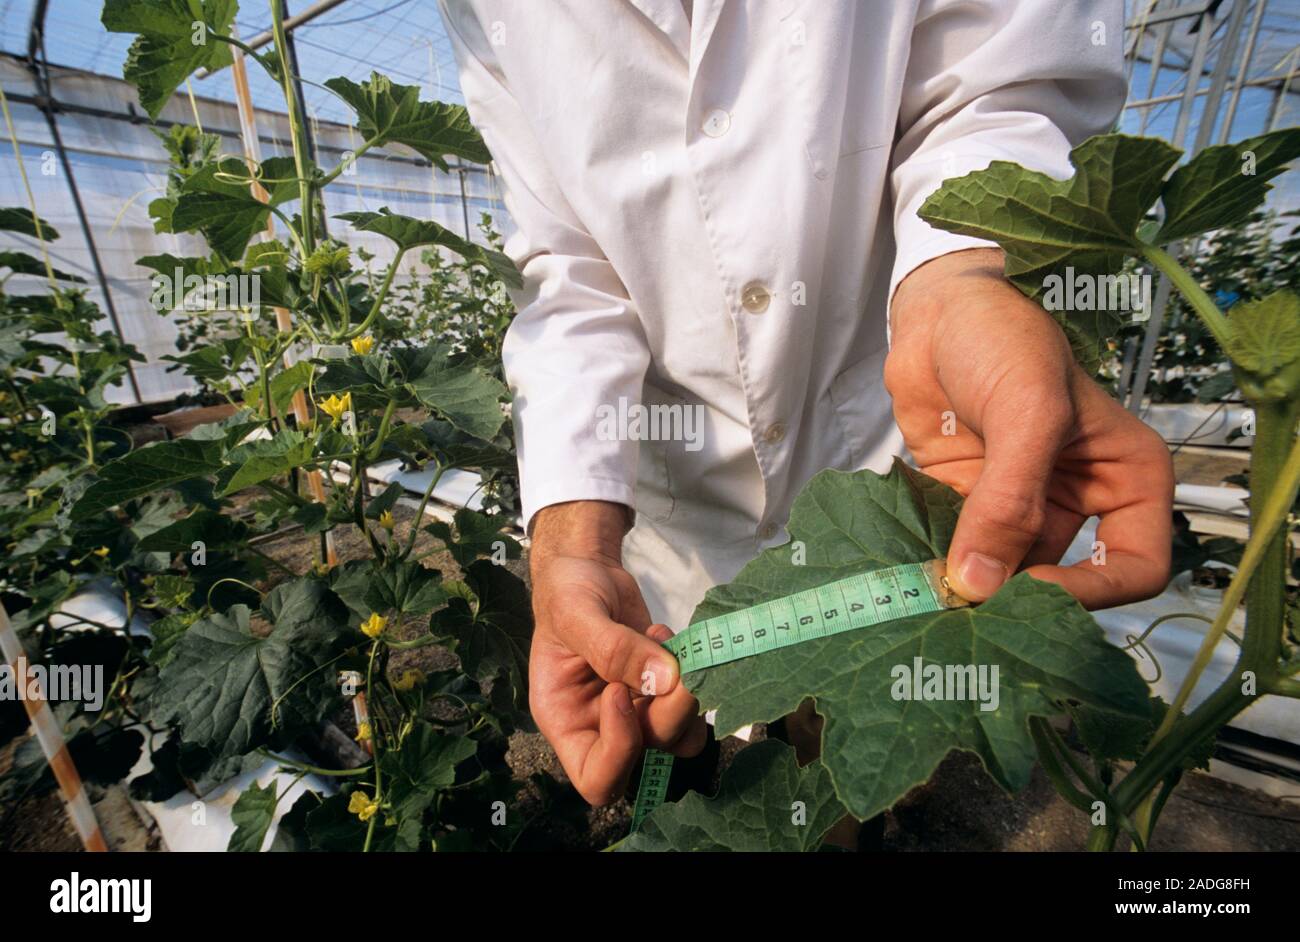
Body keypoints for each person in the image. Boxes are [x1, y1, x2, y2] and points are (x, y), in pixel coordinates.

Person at [437, 0, 1174, 807]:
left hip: (886, 450)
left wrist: (960, 276)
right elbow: (569, 262)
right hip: (666, 497)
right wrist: (572, 537)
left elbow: (1000, 87)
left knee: (839, 773)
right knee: (662, 746)